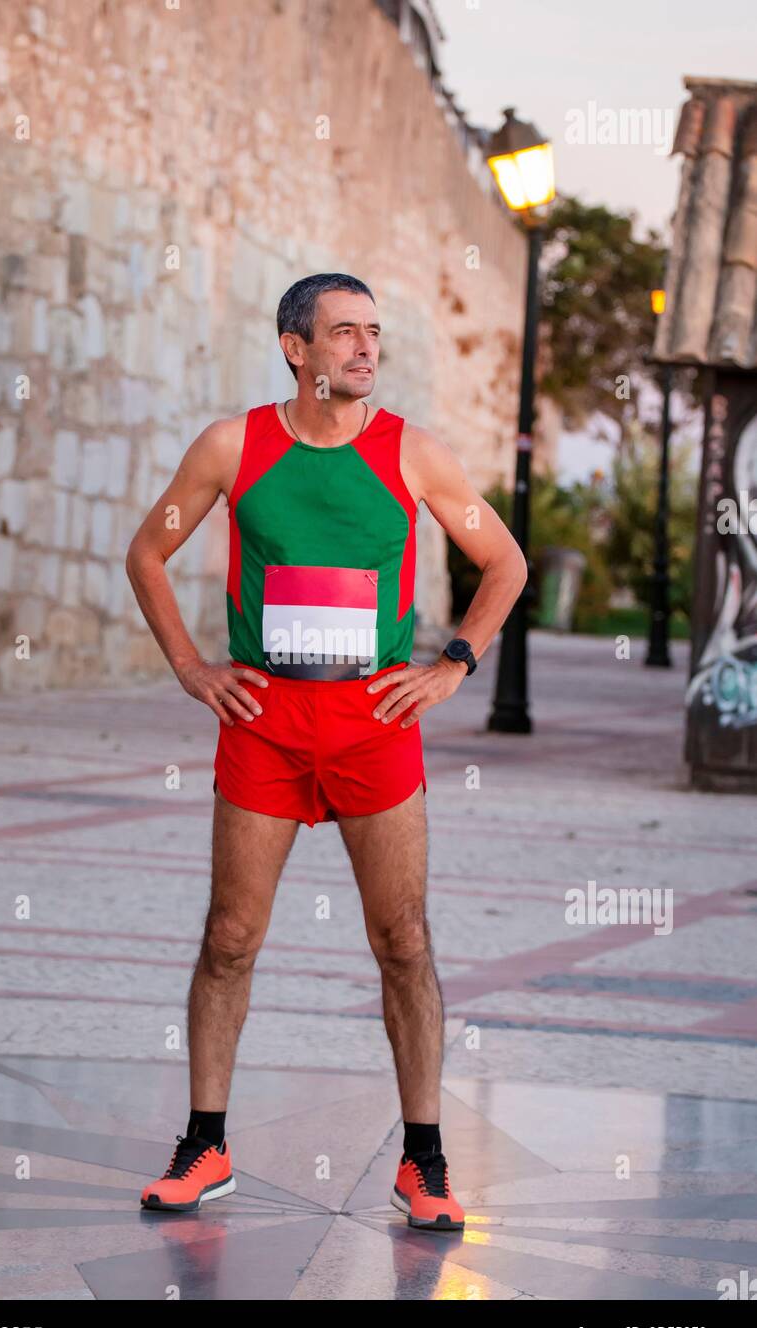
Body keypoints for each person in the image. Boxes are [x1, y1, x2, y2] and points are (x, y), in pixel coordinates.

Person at [126, 272, 527, 1230]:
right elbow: (148, 552)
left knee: (404, 943)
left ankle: (423, 1163)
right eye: (343, 332)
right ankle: (206, 1145)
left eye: (373, 333)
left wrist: (453, 666)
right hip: (264, 721)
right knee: (230, 938)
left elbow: (505, 561)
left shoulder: (411, 454)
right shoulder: (235, 445)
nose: (364, 349)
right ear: (294, 348)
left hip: (373, 727)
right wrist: (191, 668)